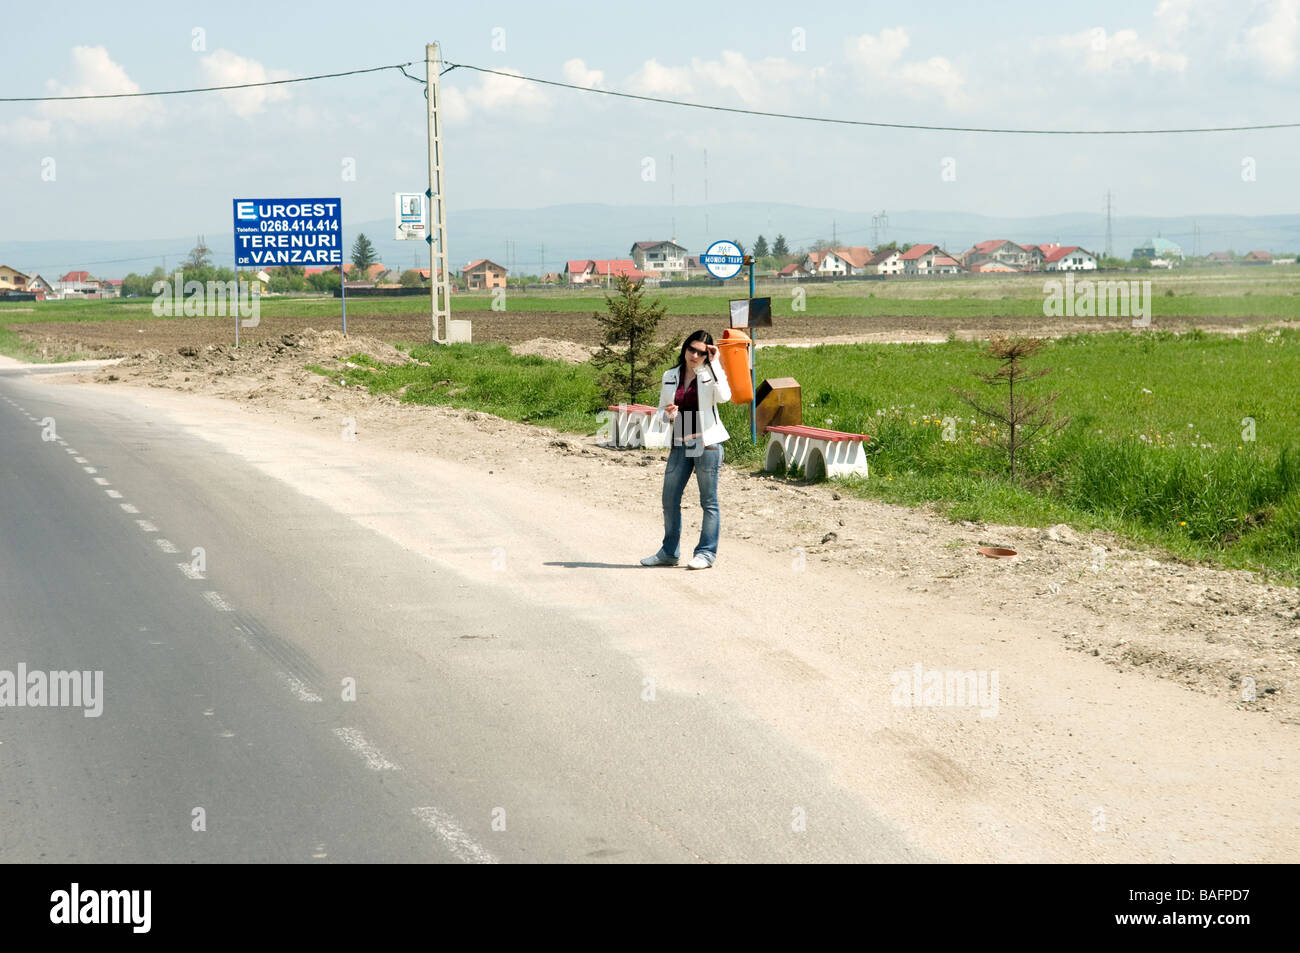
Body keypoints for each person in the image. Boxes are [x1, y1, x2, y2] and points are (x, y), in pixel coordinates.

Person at [641, 330, 731, 570]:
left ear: (707, 355)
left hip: (707, 442)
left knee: (708, 501)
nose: (695, 356)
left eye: (702, 352)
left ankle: (706, 553)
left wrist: (716, 363)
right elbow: (661, 413)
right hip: (681, 439)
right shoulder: (670, 375)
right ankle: (669, 553)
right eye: (692, 349)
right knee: (669, 499)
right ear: (685, 348)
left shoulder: (709, 374)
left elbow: (725, 397)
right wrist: (668, 415)